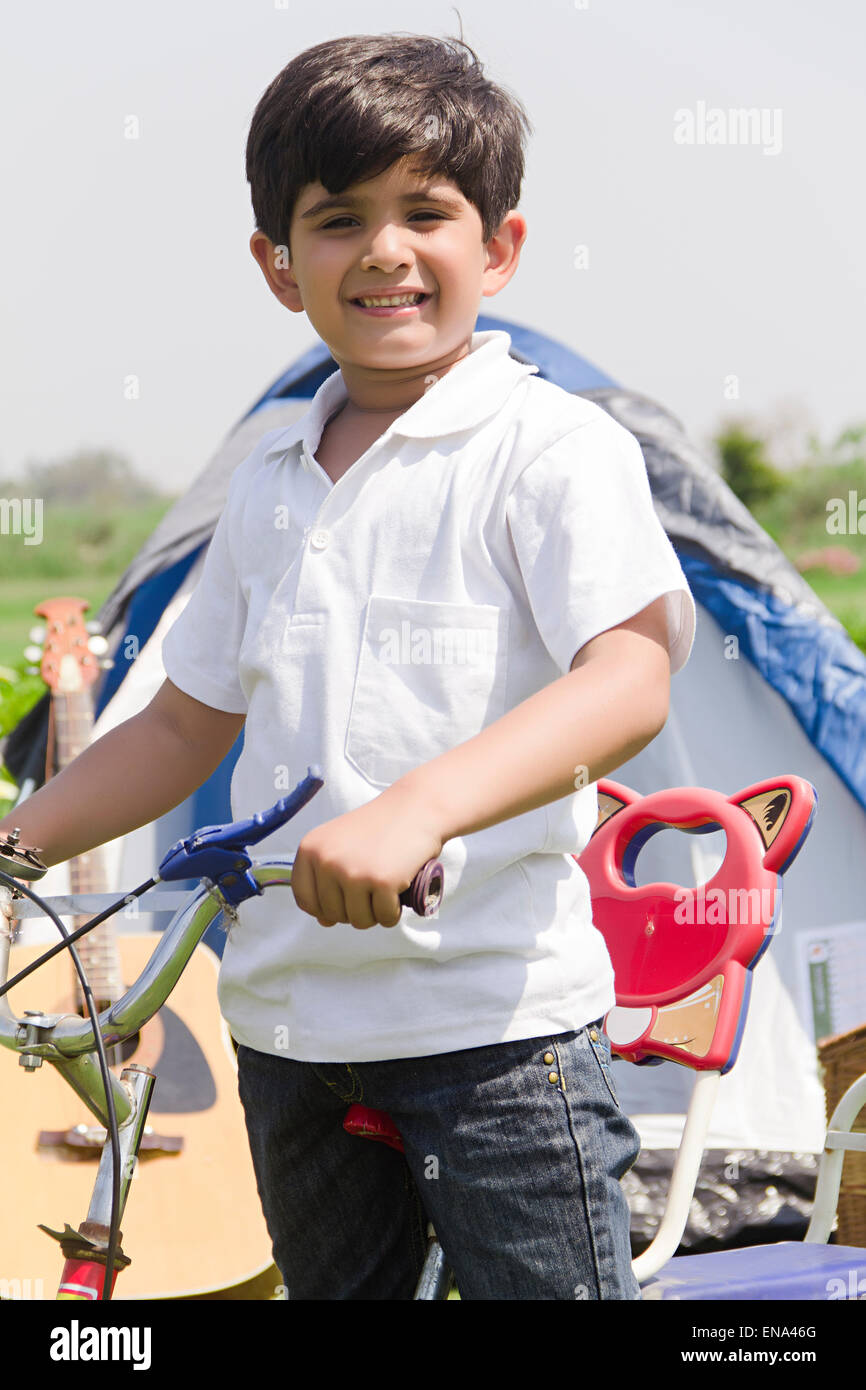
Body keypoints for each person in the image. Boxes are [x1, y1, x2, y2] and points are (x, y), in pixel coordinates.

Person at [0, 33, 695, 1299]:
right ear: (278, 266)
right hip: (286, 1032)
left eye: (423, 212)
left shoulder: (548, 448)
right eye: (338, 219)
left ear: (500, 248)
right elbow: (179, 727)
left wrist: (418, 807)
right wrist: (15, 846)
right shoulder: (266, 480)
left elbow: (628, 676)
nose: (383, 249)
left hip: (496, 1037)